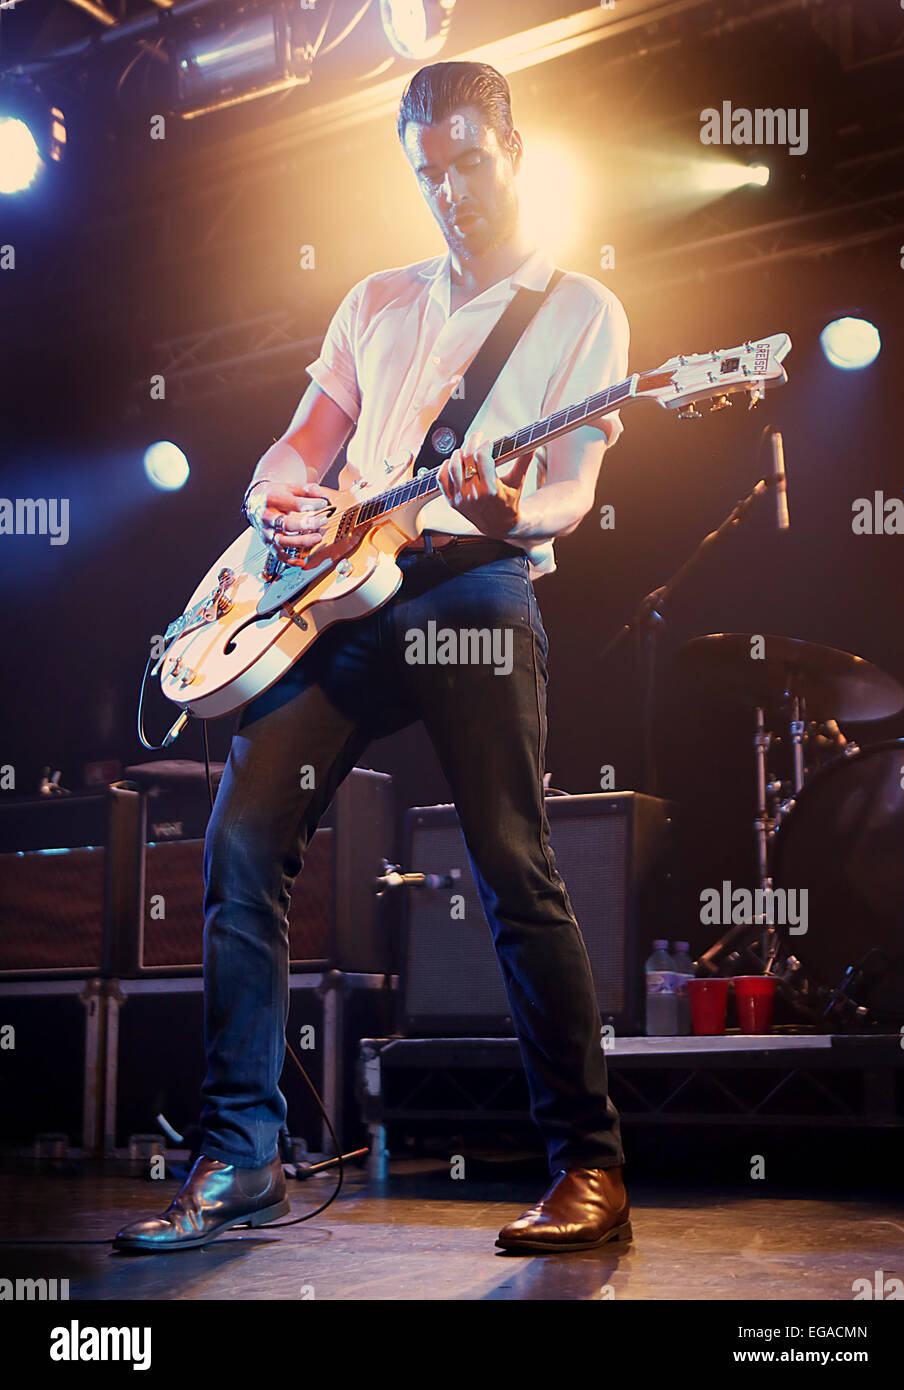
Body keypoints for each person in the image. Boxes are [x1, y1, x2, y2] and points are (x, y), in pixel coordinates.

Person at [115, 59, 632, 1256]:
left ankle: (589, 1165)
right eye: (428, 173)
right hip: (339, 596)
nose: (450, 192)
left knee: (512, 858)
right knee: (240, 839)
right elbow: (297, 449)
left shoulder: (580, 311)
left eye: (469, 164)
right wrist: (278, 499)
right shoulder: (378, 299)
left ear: (515, 149)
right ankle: (240, 1155)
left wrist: (492, 506)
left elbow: (566, 501)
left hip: (473, 579)